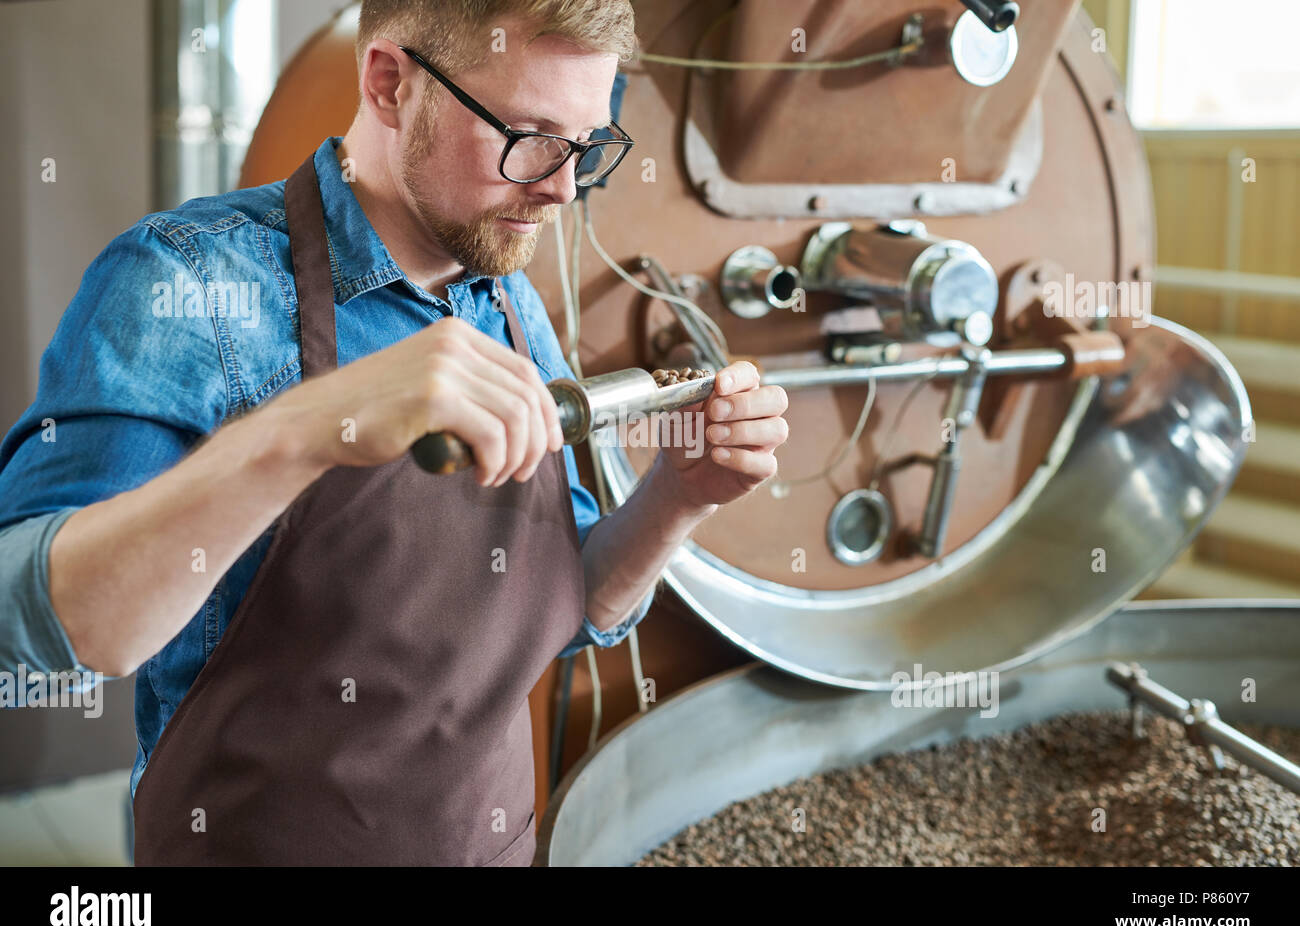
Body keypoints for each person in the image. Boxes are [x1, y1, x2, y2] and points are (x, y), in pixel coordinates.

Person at [0, 0, 789, 865]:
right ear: (389, 84)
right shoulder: (185, 281)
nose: (563, 186)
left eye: (586, 144)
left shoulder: (508, 300)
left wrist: (679, 497)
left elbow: (563, 607)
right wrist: (303, 429)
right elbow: (48, 627)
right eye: (527, 135)